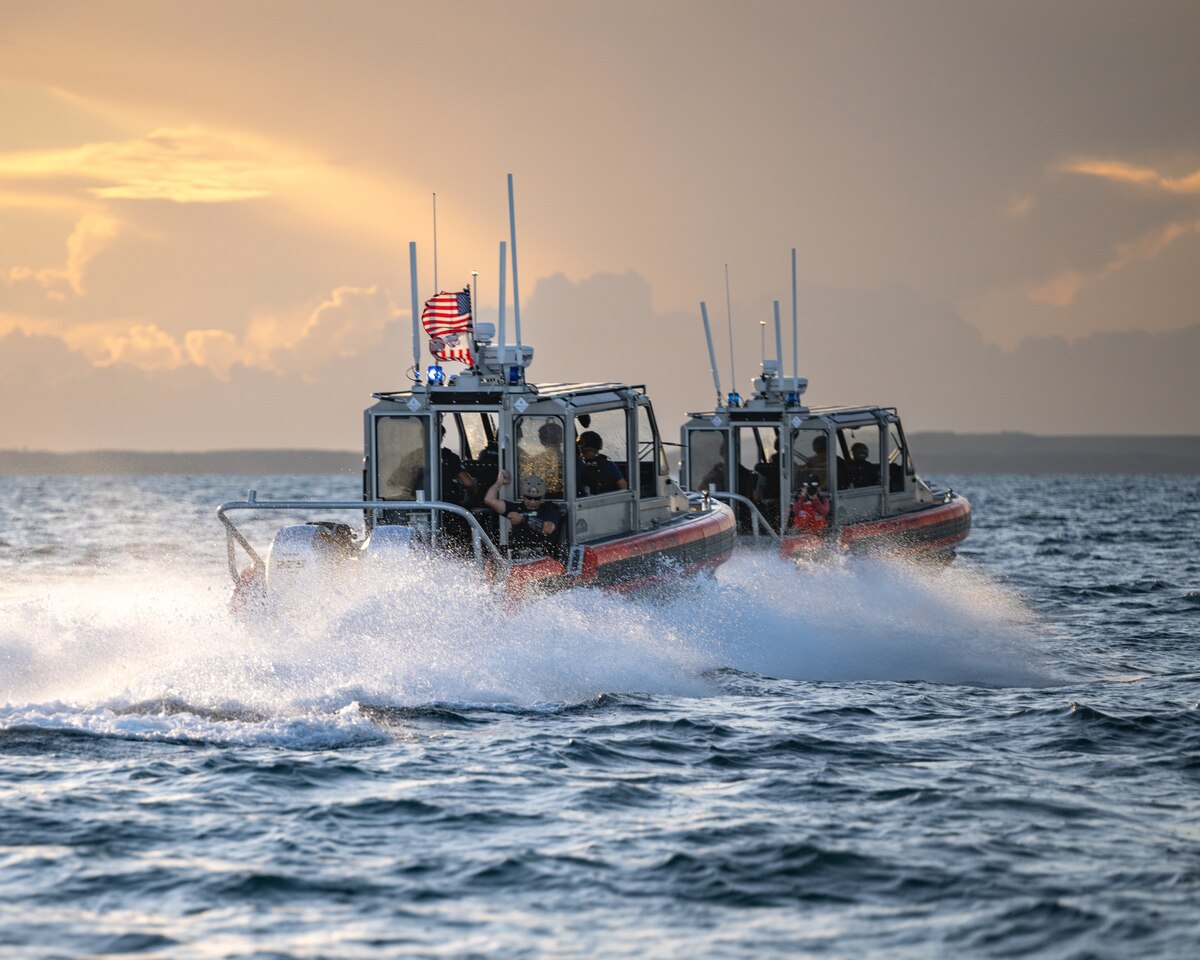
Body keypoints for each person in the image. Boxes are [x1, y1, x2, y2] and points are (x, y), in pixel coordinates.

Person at [484, 471, 560, 556]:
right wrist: (499, 482)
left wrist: (523, 520)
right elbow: (489, 500)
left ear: (542, 497)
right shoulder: (516, 508)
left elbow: (549, 528)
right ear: (523, 496)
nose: (532, 502)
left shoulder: (550, 508)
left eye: (537, 499)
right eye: (529, 498)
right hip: (518, 556)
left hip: (544, 557)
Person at [577, 431, 627, 495]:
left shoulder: (578, 465)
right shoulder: (609, 465)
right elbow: (624, 488)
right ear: (599, 446)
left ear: (582, 445)